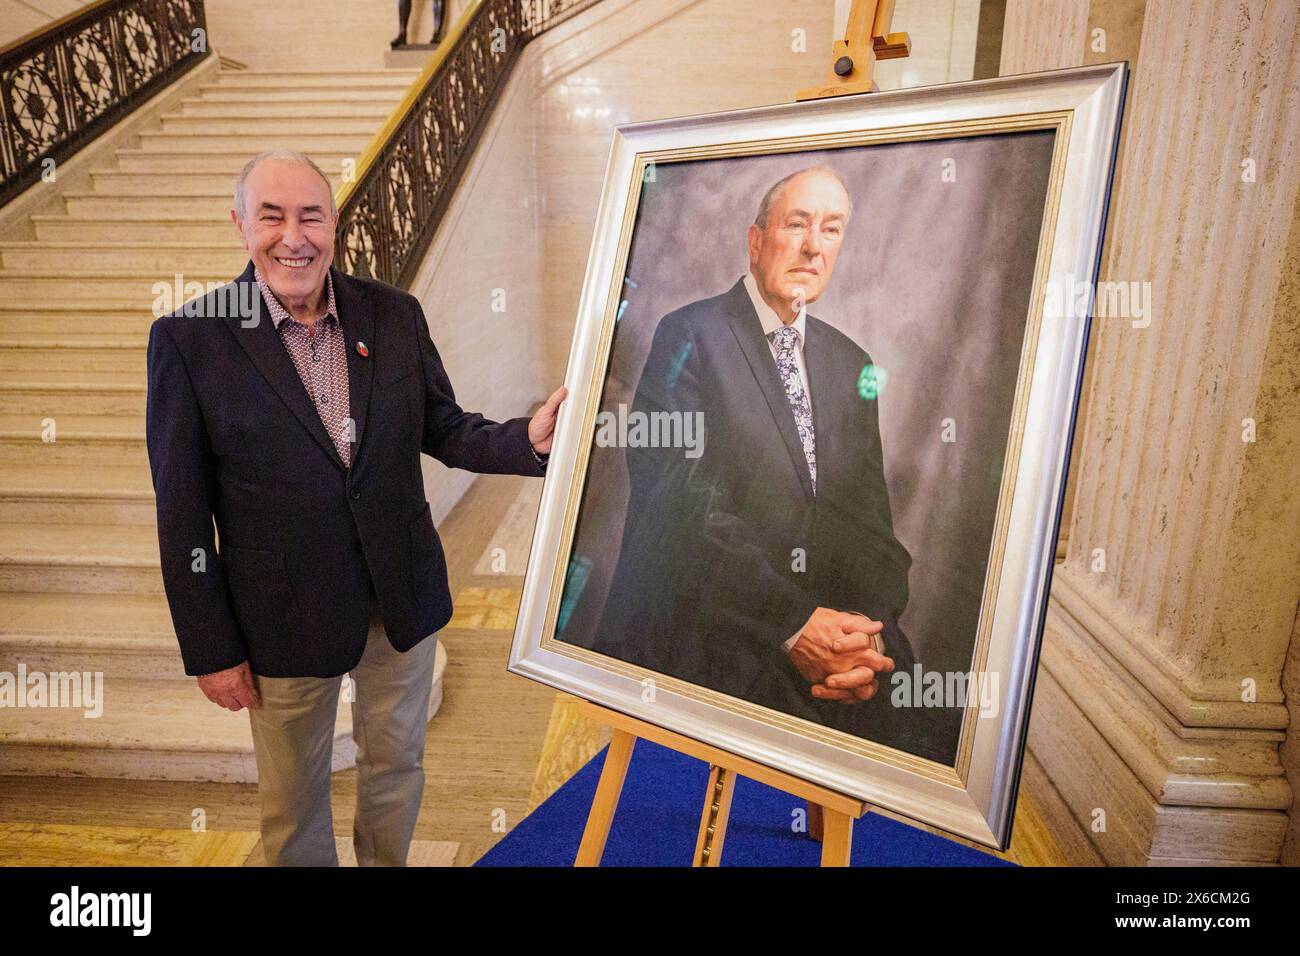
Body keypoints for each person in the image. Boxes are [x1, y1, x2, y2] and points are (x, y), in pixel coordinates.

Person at [145, 148, 566, 865]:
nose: (294, 236)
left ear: (334, 224)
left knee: (397, 767)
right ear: (240, 225)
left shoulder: (393, 314)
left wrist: (525, 440)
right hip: (281, 619)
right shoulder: (191, 340)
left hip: (398, 598)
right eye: (271, 216)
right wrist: (212, 648)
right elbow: (181, 513)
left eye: (311, 215)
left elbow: (443, 426)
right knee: (293, 802)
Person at [588, 165, 931, 755]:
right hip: (702, 641)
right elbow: (681, 505)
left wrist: (871, 644)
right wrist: (797, 624)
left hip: (817, 663)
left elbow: (870, 531)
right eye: (797, 224)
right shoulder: (689, 334)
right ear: (755, 241)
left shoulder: (853, 366)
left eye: (831, 230)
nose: (812, 246)